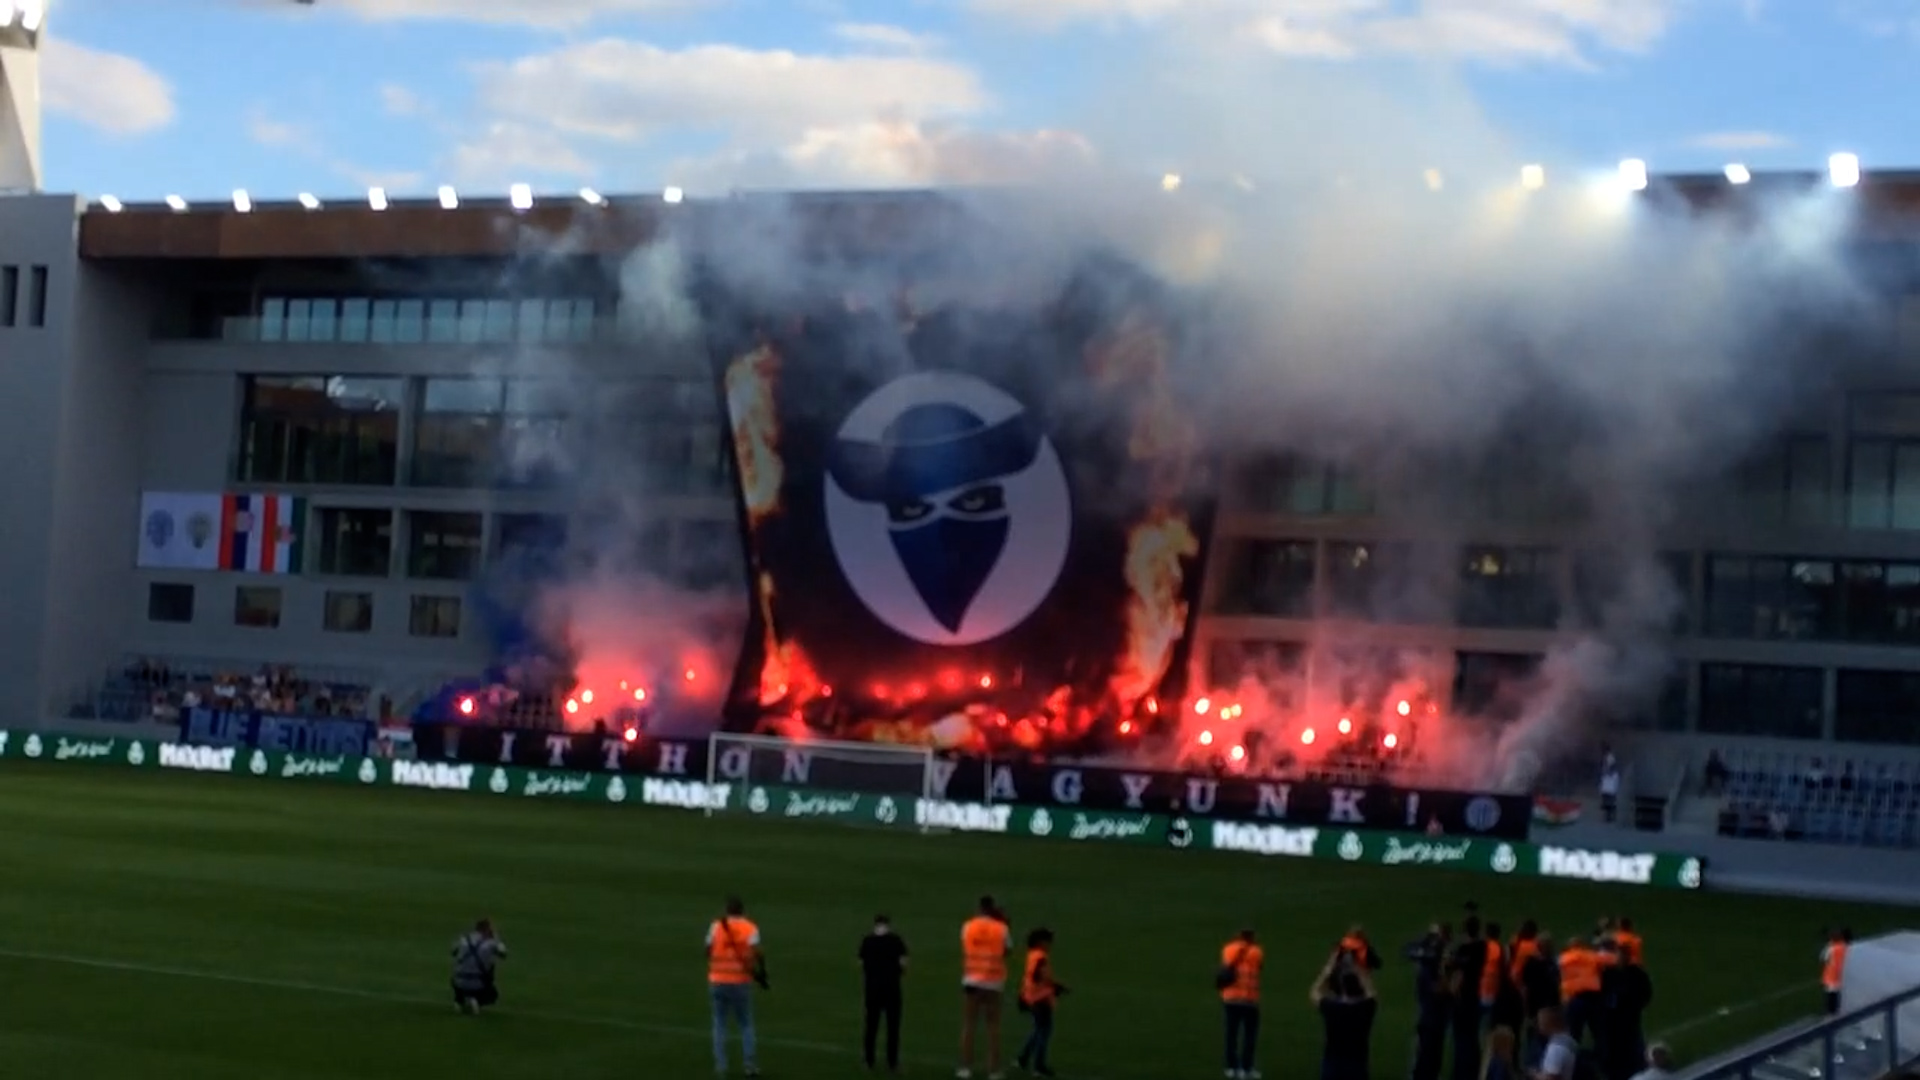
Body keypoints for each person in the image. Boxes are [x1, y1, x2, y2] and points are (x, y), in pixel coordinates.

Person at [707, 896, 764, 1077]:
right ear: (742, 910)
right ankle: (749, 1064)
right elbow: (757, 951)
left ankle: (721, 1066)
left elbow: (707, 949)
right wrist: (760, 969)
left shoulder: (716, 926)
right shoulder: (750, 927)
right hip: (740, 981)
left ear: (727, 910)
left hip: (717, 979)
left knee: (719, 1024)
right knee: (746, 1024)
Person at [958, 895, 1012, 1080]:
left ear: (978, 907)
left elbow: (966, 946)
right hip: (993, 980)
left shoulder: (968, 926)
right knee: (993, 1026)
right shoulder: (1001, 928)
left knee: (969, 1024)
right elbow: (1007, 951)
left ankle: (965, 1067)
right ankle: (993, 1070)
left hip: (972, 978)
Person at [1311, 947, 1378, 1080]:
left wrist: (1328, 968)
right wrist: (1359, 969)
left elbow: (1314, 992)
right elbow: (1371, 992)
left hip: (1333, 1067)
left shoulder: (1332, 1008)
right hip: (1357, 1067)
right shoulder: (1365, 1007)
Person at [859, 914, 909, 1073]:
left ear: (875, 925)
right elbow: (903, 963)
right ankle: (892, 1062)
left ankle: (869, 1061)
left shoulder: (867, 941)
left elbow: (861, 963)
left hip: (872, 990)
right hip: (892, 989)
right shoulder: (895, 941)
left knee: (871, 1026)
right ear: (888, 925)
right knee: (893, 1028)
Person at [1599, 945, 1652, 1080]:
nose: (1621, 958)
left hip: (1629, 1018)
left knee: (1633, 1045)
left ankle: (1637, 1070)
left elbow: (1646, 993)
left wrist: (1635, 1006)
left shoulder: (1637, 974)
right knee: (1613, 1048)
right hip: (1611, 1020)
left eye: (1624, 955)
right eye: (1619, 955)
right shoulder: (1608, 973)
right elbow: (1601, 994)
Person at [1408, 923, 1454, 1080]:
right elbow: (1438, 989)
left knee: (1434, 1055)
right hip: (1429, 1018)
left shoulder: (1438, 962)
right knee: (1425, 1056)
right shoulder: (1427, 968)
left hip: (1438, 1017)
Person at [1219, 928, 1265, 1080]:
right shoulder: (1256, 951)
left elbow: (1226, 963)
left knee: (1231, 1034)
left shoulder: (1228, 949)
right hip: (1249, 999)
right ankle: (1247, 1068)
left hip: (1231, 998)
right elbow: (1259, 966)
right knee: (1249, 1036)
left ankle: (1232, 1067)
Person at [1017, 927, 1064, 1077]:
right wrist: (1056, 986)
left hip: (1032, 997)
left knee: (1038, 1030)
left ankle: (1022, 1058)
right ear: (1040, 942)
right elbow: (1040, 976)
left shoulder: (1032, 955)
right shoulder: (1040, 957)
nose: (1050, 944)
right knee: (1043, 1032)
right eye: (1048, 941)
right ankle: (1038, 1065)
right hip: (1040, 999)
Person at [1450, 917, 1489, 1080]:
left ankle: (1462, 1073)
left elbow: (1459, 975)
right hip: (1476, 995)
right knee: (1473, 1038)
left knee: (1462, 1040)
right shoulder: (1482, 947)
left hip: (1463, 998)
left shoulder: (1464, 950)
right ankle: (1474, 1072)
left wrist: (1453, 992)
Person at [1517, 933, 1561, 1064]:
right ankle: (1534, 1068)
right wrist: (1527, 1009)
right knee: (1536, 1041)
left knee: (1544, 1041)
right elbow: (1525, 988)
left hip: (1548, 1008)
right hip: (1537, 1008)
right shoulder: (1535, 964)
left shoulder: (1550, 963)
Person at [450, 917, 507, 1015]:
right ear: (487, 929)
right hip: (478, 983)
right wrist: (496, 938)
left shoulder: (464, 939)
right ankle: (476, 1000)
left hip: (458, 980)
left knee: (460, 967)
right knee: (492, 992)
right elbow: (503, 953)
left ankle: (459, 1000)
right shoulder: (491, 943)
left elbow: (453, 952)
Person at [1558, 937, 1603, 1045]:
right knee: (1598, 1032)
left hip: (1575, 998)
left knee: (1574, 1033)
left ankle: (1571, 1058)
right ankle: (1602, 1057)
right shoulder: (1592, 956)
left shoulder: (1564, 958)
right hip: (1593, 997)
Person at [1534, 1008, 1580, 1080]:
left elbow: (1552, 1077)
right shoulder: (1570, 1041)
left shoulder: (1556, 1049)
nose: (1538, 1026)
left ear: (1549, 1024)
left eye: (1540, 1022)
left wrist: (1534, 1075)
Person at [1821, 928, 1851, 1015]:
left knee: (1831, 996)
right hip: (1841, 975)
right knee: (1837, 995)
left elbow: (1824, 958)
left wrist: (1829, 946)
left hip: (1831, 976)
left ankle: (1831, 1013)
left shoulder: (1831, 948)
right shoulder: (1844, 947)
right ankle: (1837, 1011)